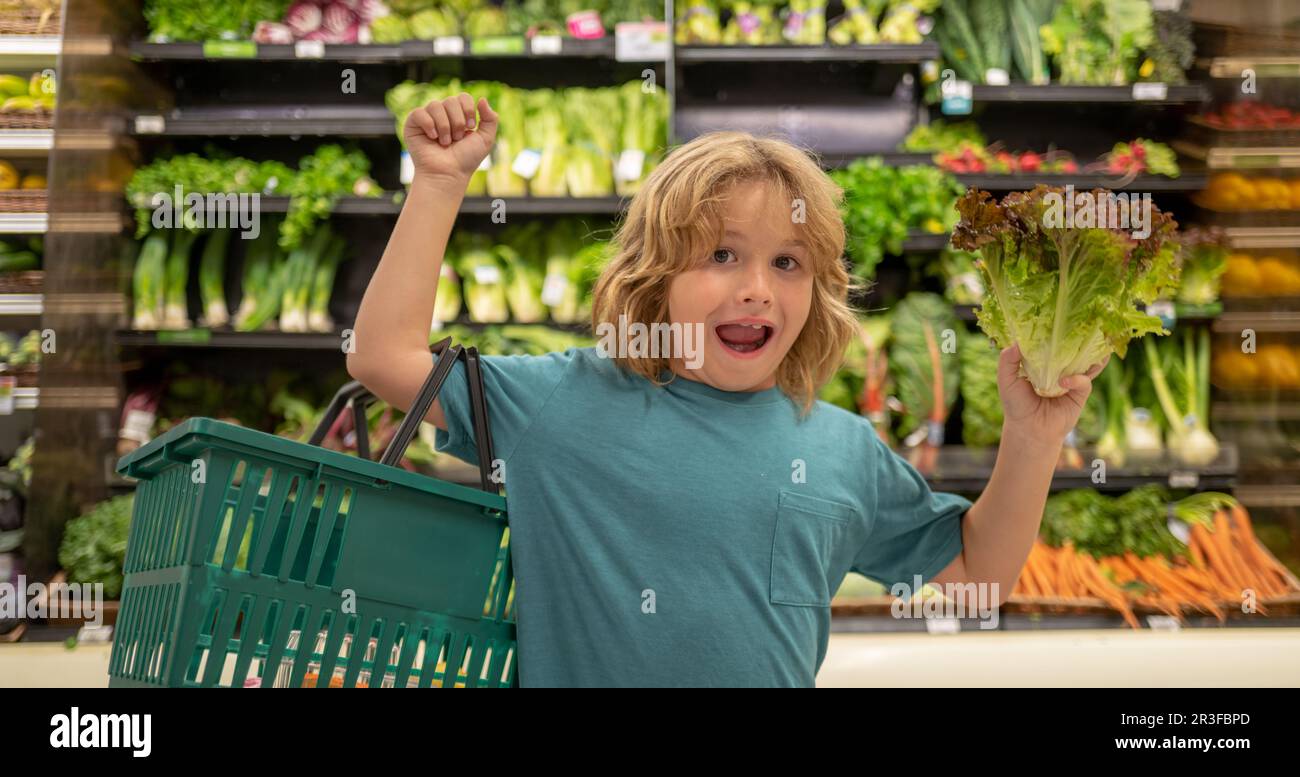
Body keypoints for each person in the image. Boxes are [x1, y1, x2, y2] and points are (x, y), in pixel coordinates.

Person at [348, 93, 1105, 687]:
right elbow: (382, 357)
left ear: (821, 290)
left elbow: (979, 576)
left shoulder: (842, 447)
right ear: (653, 277)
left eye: (787, 263)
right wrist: (441, 183)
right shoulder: (559, 402)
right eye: (720, 254)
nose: (756, 290)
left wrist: (1034, 435)